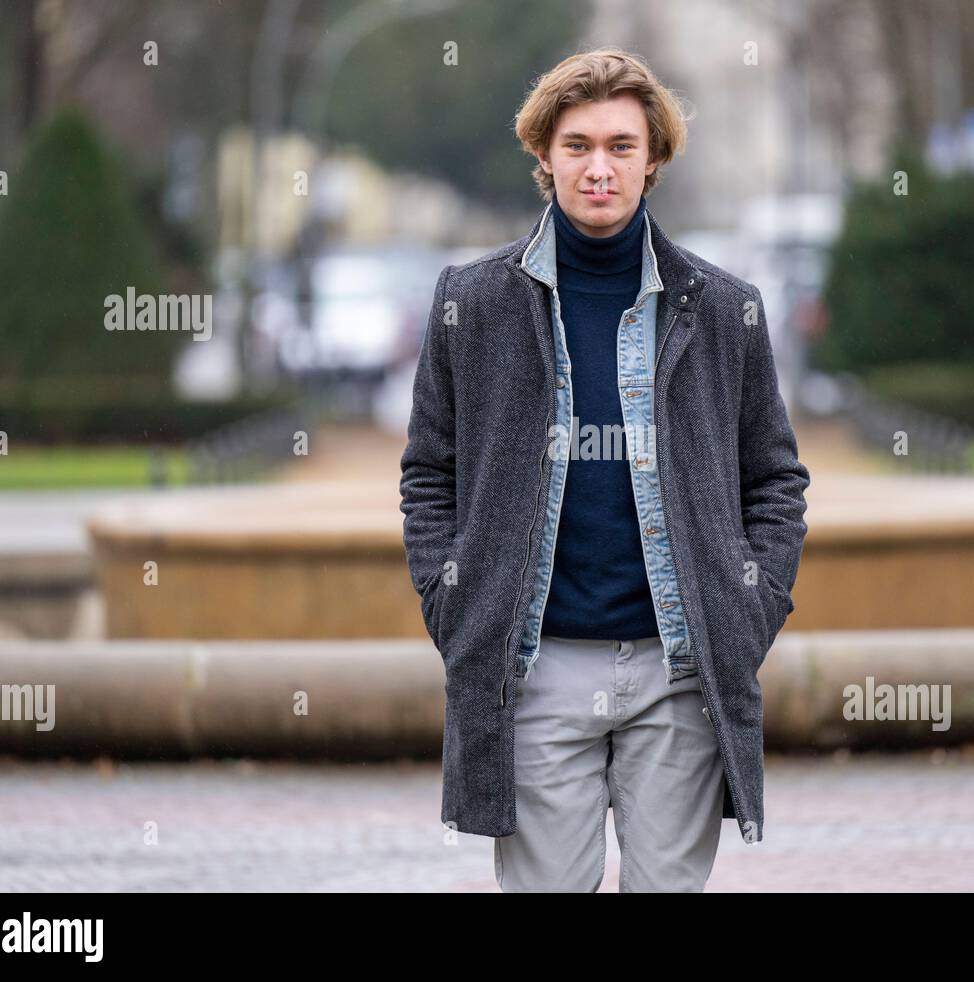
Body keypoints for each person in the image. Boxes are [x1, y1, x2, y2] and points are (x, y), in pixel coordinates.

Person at [399, 47, 810, 892]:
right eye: (578, 145)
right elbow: (427, 475)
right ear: (543, 156)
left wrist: (746, 610)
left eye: (621, 146)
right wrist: (458, 605)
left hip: (679, 670)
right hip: (533, 668)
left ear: (653, 159)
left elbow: (775, 482)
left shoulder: (724, 309)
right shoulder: (470, 304)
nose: (599, 168)